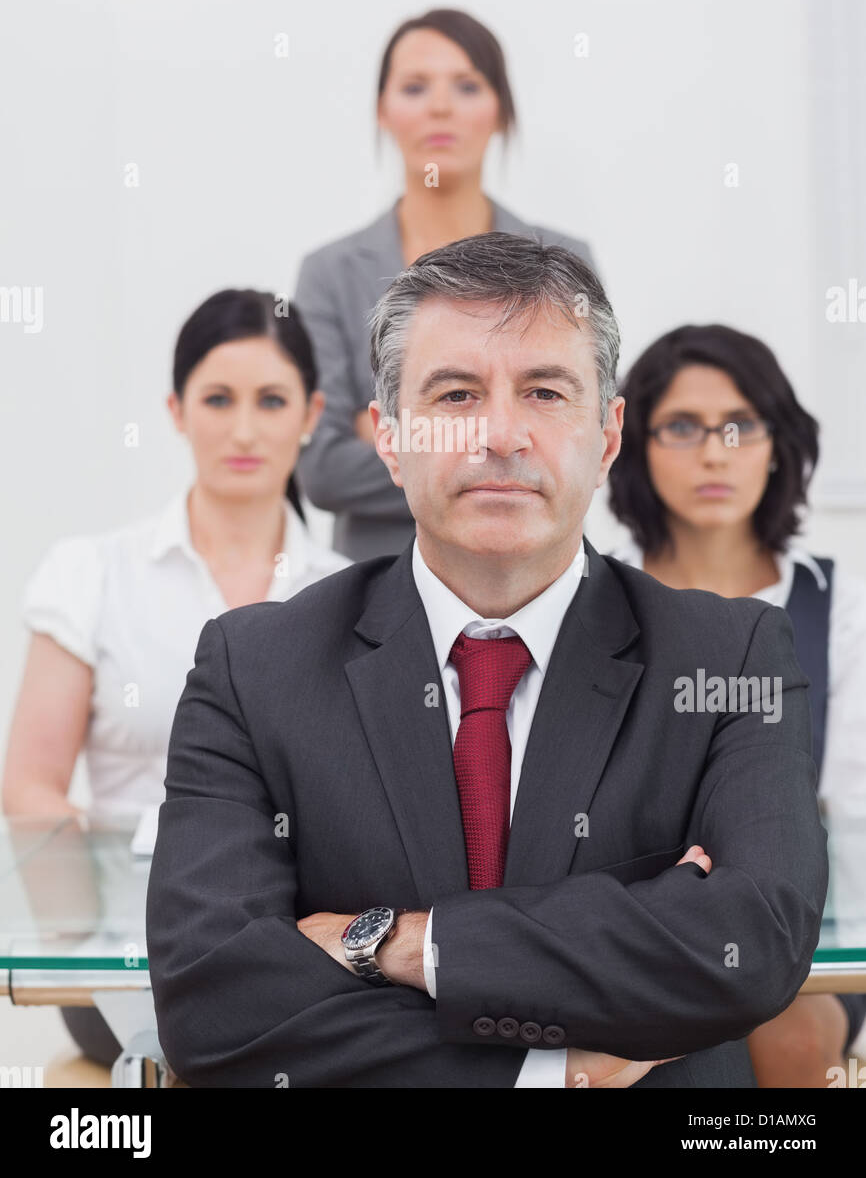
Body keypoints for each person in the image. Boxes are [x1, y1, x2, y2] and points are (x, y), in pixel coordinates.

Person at [146, 235, 827, 1088]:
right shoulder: (253, 670)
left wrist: (402, 943)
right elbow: (216, 1006)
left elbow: (753, 943)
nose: (502, 435)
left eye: (545, 392)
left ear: (608, 435)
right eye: (457, 393)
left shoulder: (730, 657)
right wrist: (552, 1068)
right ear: (389, 439)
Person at [3, 288, 350, 1067]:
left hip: (305, 959)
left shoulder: (352, 594)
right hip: (130, 965)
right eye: (217, 399)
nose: (243, 428)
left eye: (271, 400)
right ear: (175, 409)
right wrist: (80, 947)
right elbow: (30, 787)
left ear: (310, 413)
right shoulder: (91, 573)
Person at [606, 322, 866, 1084]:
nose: (714, 452)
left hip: (800, 928)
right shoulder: (595, 594)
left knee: (786, 1040)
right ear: (634, 443)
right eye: (682, 427)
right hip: (628, 920)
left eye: (739, 426)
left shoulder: (835, 601)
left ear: (778, 441)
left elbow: (853, 810)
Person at [293, 7, 596, 561]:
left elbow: (579, 440)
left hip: (533, 575)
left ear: (501, 110)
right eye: (414, 87)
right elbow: (323, 471)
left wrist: (409, 438)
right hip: (377, 586)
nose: (439, 106)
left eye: (466, 85)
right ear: (382, 111)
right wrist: (504, 450)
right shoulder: (331, 272)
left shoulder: (565, 261)